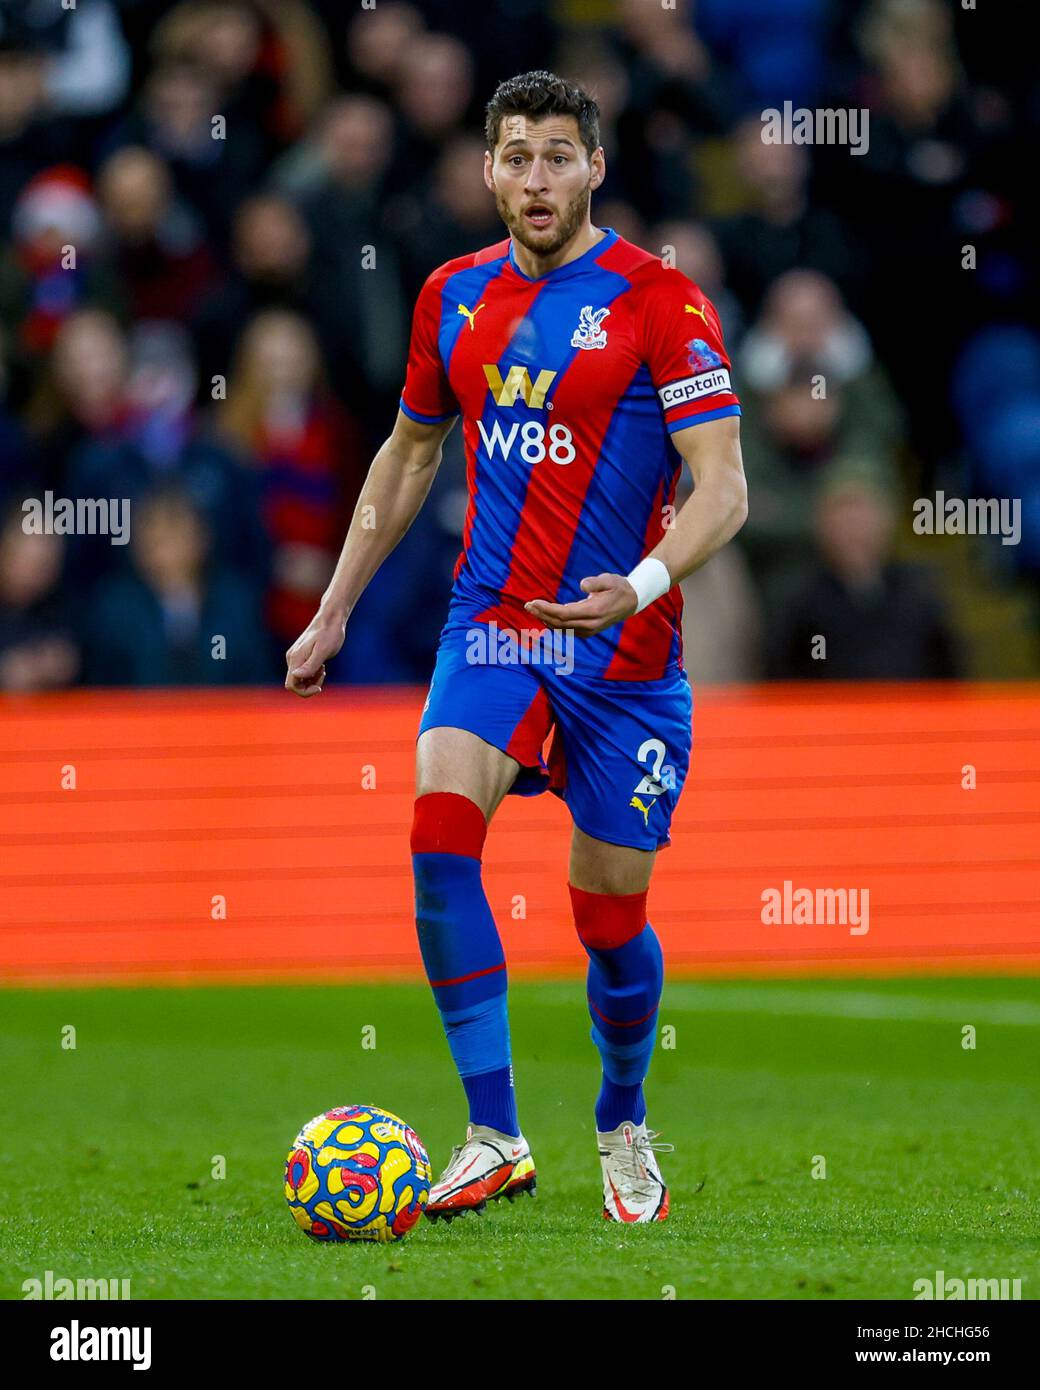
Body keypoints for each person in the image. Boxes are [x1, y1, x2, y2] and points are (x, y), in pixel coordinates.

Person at [284, 71, 747, 1226]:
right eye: (514, 157)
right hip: (493, 624)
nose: (535, 179)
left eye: (556, 156)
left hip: (625, 657)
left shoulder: (659, 300)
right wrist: (335, 606)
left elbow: (723, 489)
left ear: (594, 168)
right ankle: (494, 1132)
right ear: (487, 171)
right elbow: (408, 454)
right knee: (438, 836)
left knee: (609, 922)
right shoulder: (450, 295)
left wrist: (639, 585)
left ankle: (621, 1115)